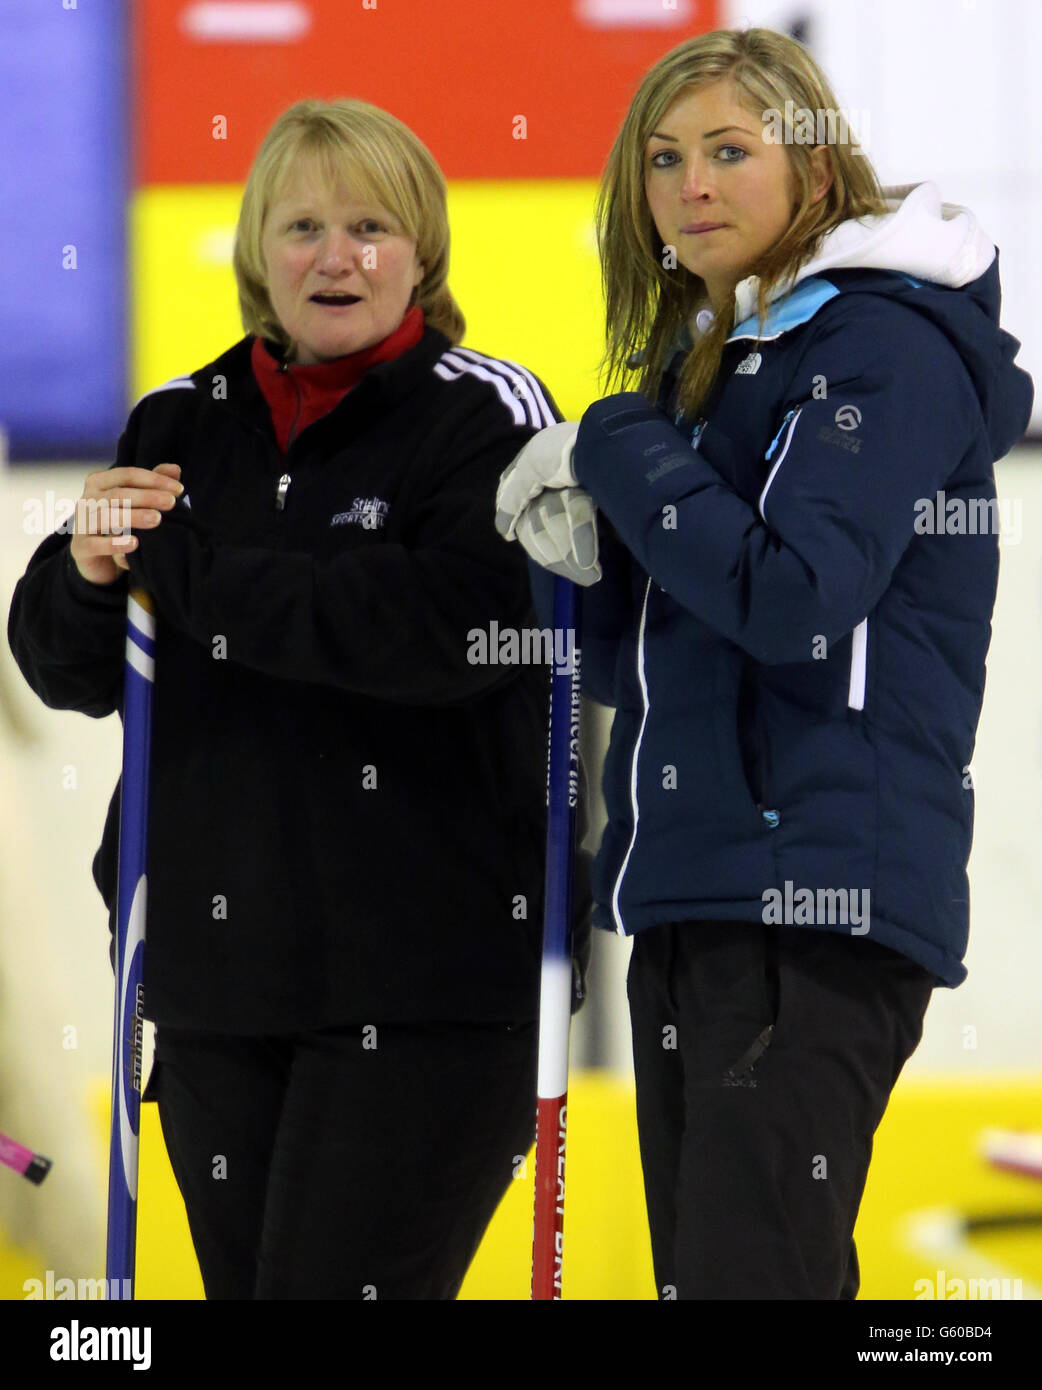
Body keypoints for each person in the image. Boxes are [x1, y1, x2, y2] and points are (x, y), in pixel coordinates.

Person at [9, 97, 589, 1300]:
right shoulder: (178, 420)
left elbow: (453, 631)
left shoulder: (487, 415)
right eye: (303, 225)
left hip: (430, 987)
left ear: (422, 250)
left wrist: (197, 577)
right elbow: (71, 672)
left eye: (372, 224)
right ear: (255, 253)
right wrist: (85, 569)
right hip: (220, 984)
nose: (337, 256)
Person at [496, 26, 1033, 1299]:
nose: (692, 186)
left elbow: (795, 599)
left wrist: (615, 445)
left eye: (731, 151)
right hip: (695, 894)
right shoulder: (706, 368)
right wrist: (567, 555)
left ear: (813, 165)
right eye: (665, 159)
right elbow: (657, 658)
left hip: (813, 895)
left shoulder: (884, 347)